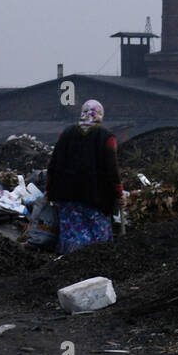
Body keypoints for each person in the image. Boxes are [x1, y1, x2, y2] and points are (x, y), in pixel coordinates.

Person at [44, 99, 122, 254]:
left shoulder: (65, 134)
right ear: (100, 114)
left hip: (66, 196)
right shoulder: (107, 137)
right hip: (96, 197)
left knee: (72, 235)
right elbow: (112, 170)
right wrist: (119, 194)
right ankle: (95, 268)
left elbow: (53, 164)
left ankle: (70, 266)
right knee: (98, 237)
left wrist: (49, 189)